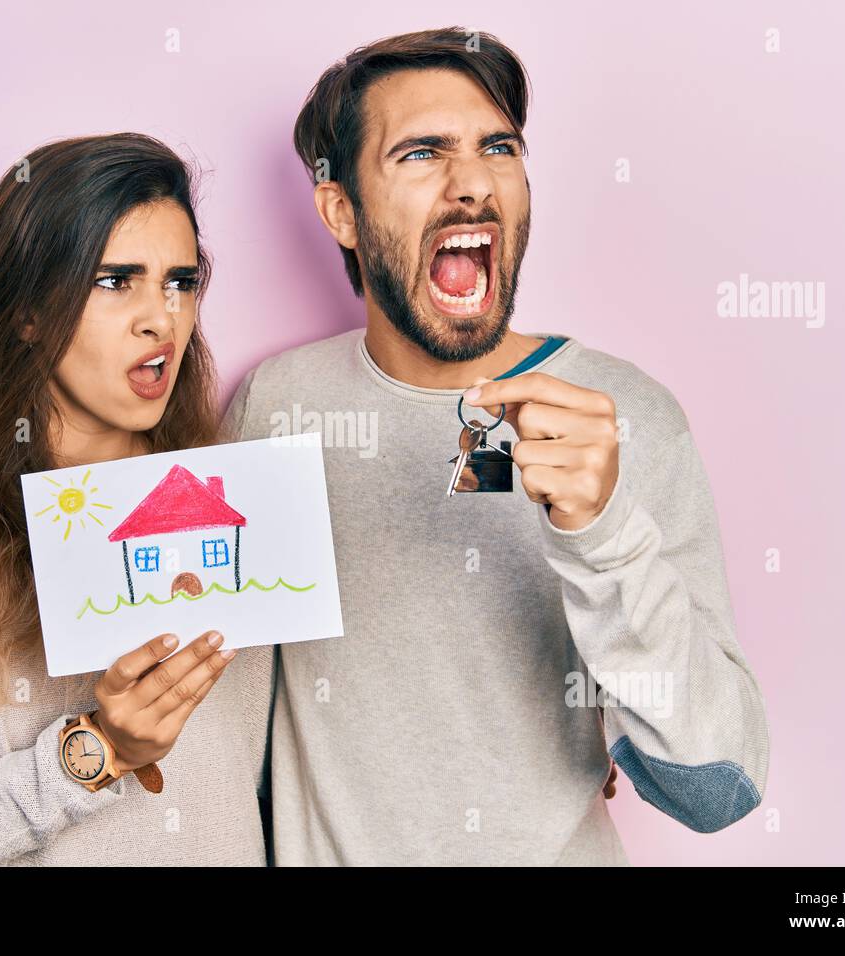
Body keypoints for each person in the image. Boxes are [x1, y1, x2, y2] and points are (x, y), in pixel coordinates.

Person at [223, 28, 770, 865]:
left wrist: (605, 533)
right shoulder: (278, 406)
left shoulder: (626, 417)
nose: (473, 182)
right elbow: (228, 730)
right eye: (421, 153)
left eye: (498, 147)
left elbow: (713, 789)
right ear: (341, 210)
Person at [0, 134, 272, 866]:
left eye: (180, 282)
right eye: (115, 280)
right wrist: (94, 752)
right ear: (29, 311)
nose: (162, 318)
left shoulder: (235, 505)